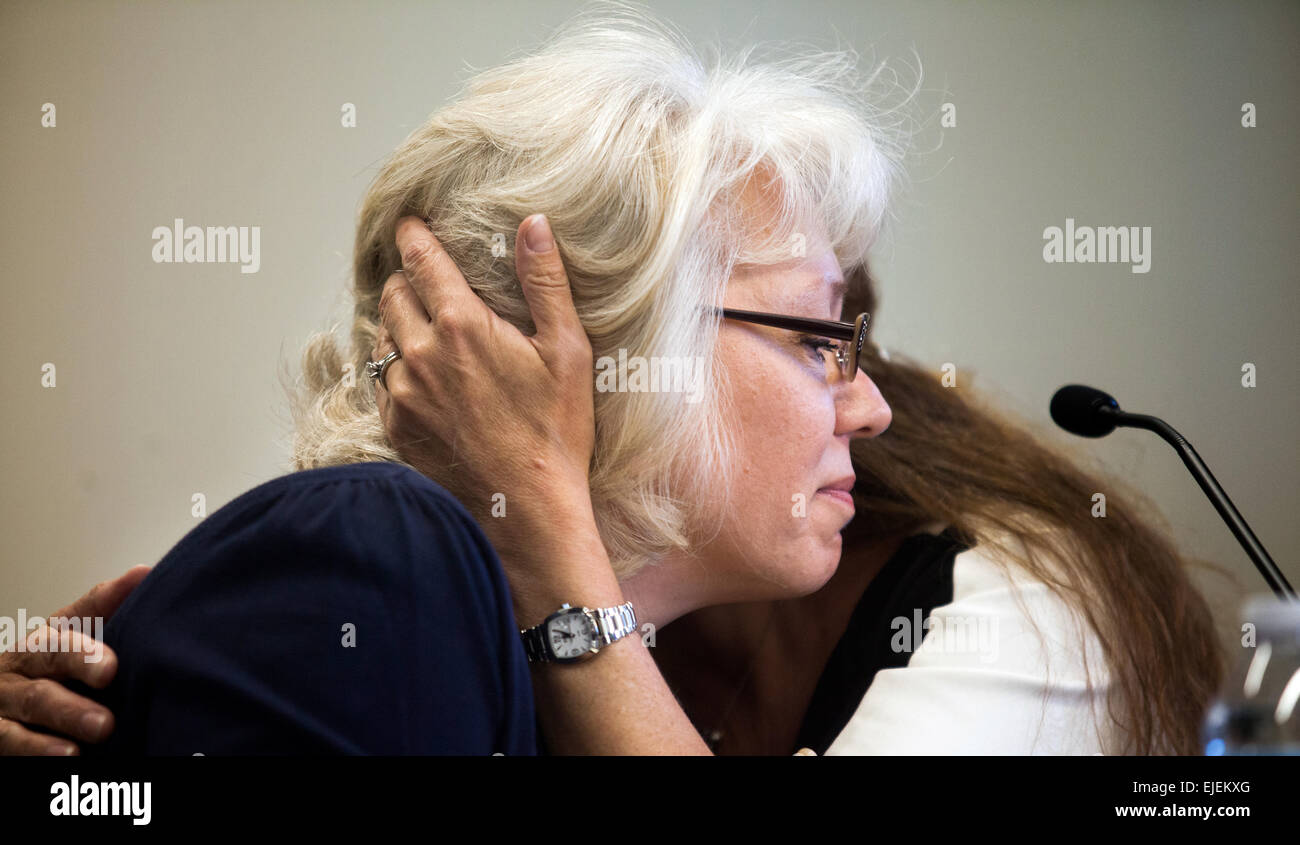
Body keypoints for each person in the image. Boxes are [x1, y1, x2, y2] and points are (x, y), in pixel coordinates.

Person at [0, 6, 1223, 755]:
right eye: (814, 338)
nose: (874, 398)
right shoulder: (378, 554)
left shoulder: (977, 611)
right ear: (583, 345)